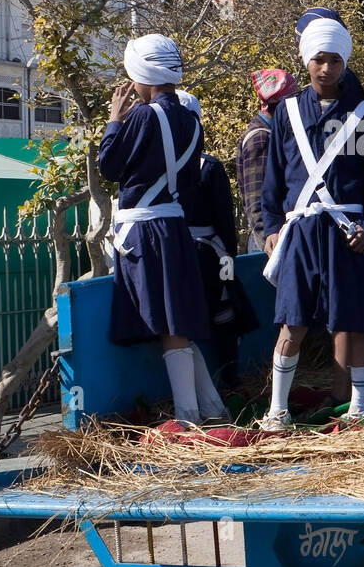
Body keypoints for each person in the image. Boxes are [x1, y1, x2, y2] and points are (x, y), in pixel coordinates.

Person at [260, 17, 364, 430]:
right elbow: (274, 176)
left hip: (349, 230)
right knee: (291, 318)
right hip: (300, 228)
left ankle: (359, 407)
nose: (327, 68)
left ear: (345, 63)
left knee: (357, 317)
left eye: (335, 60)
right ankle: (277, 410)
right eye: (319, 59)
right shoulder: (287, 112)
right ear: (306, 61)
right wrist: (271, 227)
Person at [98, 34, 228, 424]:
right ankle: (213, 409)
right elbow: (187, 181)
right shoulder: (190, 119)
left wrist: (113, 121)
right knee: (179, 323)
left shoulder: (140, 115)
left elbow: (109, 167)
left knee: (169, 325)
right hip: (174, 226)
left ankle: (189, 418)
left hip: (144, 231)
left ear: (142, 72)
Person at [178, 90, 257, 390]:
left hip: (173, 253)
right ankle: (229, 381)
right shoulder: (207, 166)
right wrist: (229, 262)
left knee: (180, 325)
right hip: (210, 254)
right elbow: (224, 218)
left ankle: (190, 396)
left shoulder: (158, 165)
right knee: (224, 313)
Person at [236, 68, 298, 251]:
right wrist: (269, 240)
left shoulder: (274, 134)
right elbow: (257, 197)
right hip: (272, 241)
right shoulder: (262, 138)